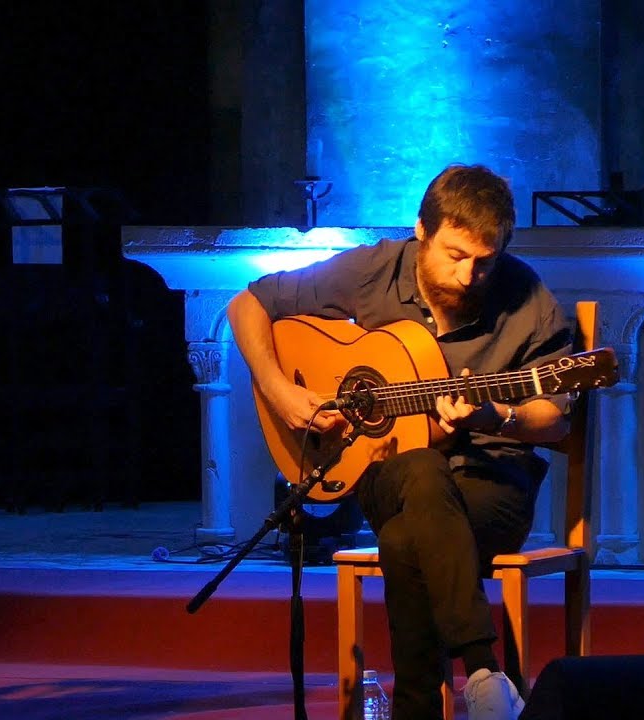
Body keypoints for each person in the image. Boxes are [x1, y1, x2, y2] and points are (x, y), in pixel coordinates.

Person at [228, 164, 573, 720]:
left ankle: (420, 705)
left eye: (485, 261)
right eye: (455, 255)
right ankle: (484, 674)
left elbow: (555, 421)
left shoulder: (527, 299)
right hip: (387, 473)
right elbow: (249, 304)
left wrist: (495, 414)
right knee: (418, 470)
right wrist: (278, 390)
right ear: (422, 230)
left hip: (492, 484)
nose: (469, 275)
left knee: (404, 538)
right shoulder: (372, 271)